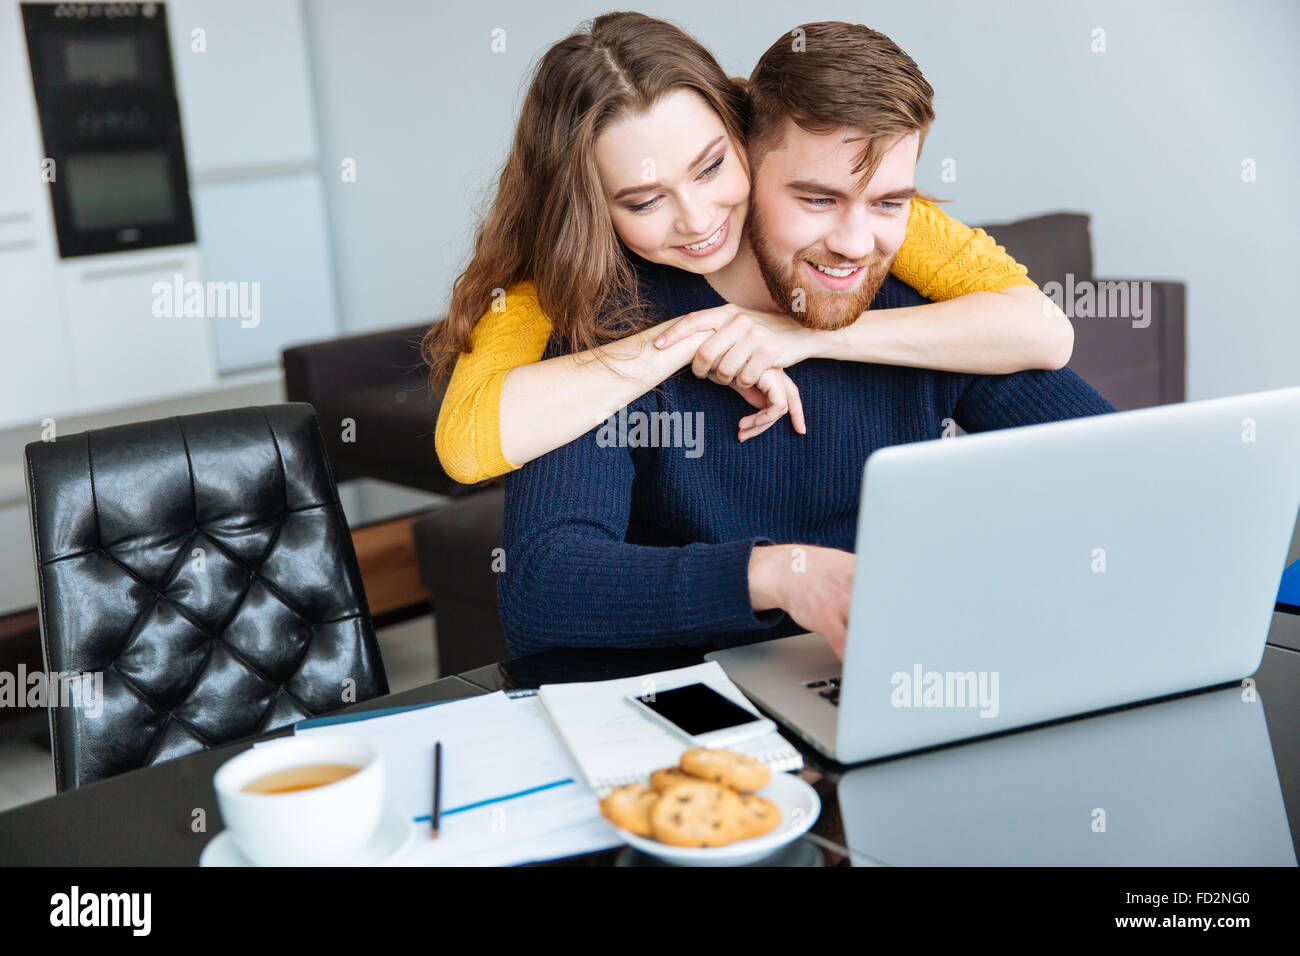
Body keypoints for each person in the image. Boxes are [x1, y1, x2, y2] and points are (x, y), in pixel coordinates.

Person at [496, 21, 1116, 660]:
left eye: (888, 203)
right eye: (818, 199)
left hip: (886, 669)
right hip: (704, 696)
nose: (854, 244)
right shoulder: (611, 330)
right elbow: (542, 589)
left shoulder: (913, 303)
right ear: (749, 160)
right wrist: (779, 575)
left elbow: (1111, 468)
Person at [422, 12, 1074, 487]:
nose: (699, 219)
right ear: (591, 208)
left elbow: (1042, 332)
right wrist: (694, 335)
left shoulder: (836, 201)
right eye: (645, 201)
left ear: (741, 135)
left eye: (711, 168)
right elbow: (467, 447)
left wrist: (805, 335)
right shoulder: (553, 287)